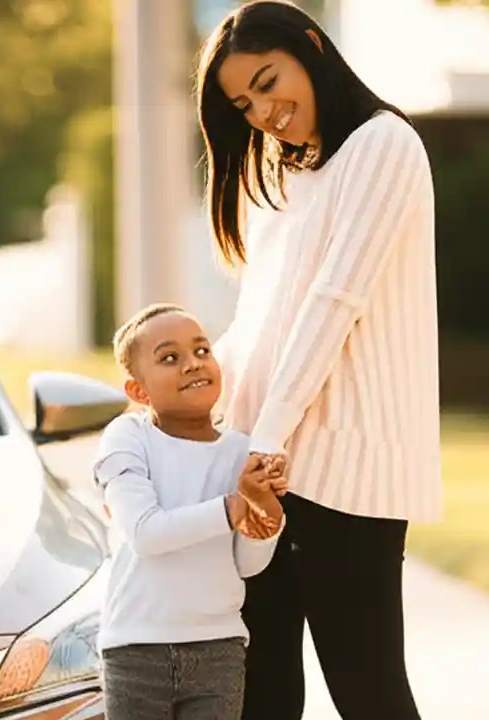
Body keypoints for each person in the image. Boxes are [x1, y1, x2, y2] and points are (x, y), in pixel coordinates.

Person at [195, 2, 444, 719]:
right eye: (245, 104)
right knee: (262, 693)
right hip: (264, 469)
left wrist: (266, 440)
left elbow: (334, 304)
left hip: (346, 472)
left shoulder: (383, 145)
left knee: (368, 691)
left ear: (313, 46)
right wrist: (206, 418)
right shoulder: (288, 173)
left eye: (270, 83)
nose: (265, 112)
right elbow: (262, 320)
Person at [94, 302, 287, 720]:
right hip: (135, 649)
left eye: (202, 351)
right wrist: (235, 506)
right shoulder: (127, 437)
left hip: (219, 649)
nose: (192, 364)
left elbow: (248, 565)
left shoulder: (240, 450)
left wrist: (265, 509)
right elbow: (145, 533)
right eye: (170, 357)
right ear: (138, 392)